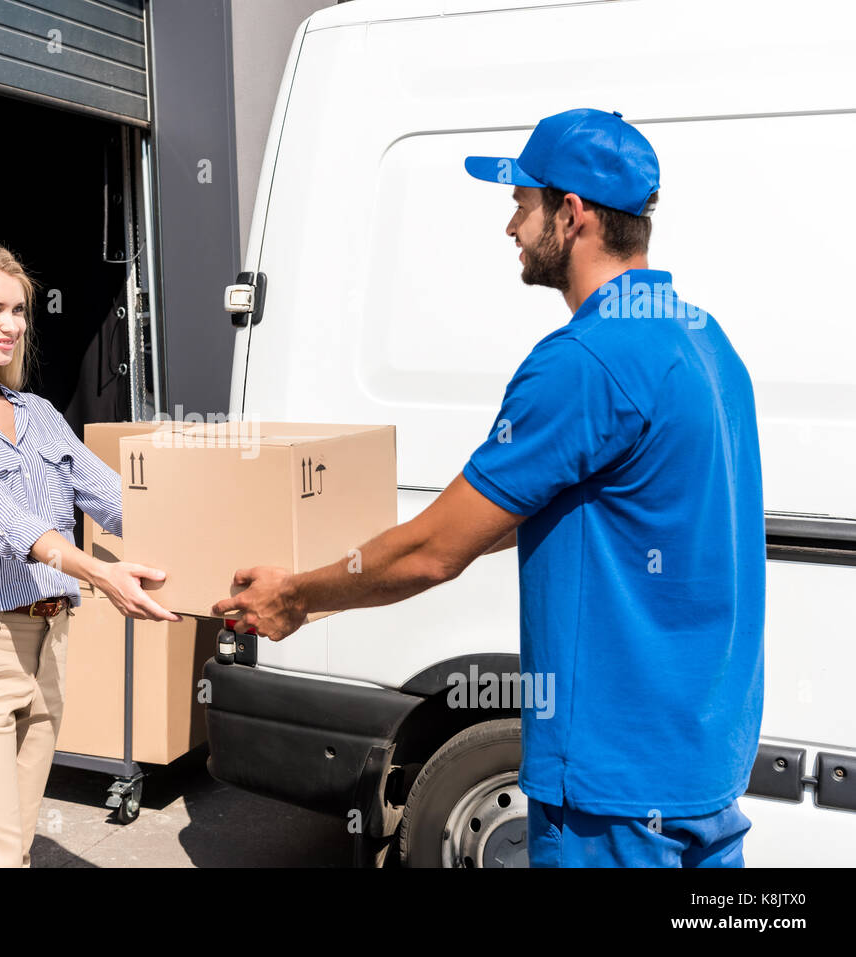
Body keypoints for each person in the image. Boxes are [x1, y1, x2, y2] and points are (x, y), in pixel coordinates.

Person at [211, 109, 765, 868]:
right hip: (701, 765)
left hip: (612, 790)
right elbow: (568, 503)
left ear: (570, 216)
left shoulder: (585, 360)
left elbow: (435, 552)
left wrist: (298, 595)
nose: (510, 226)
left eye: (522, 202)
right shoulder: (703, 338)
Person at [0, 236, 179, 868]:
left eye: (20, 311)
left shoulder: (41, 415)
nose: (11, 326)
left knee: (12, 847)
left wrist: (206, 533)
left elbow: (114, 499)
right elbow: (8, 527)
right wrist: (102, 574)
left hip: (49, 644)